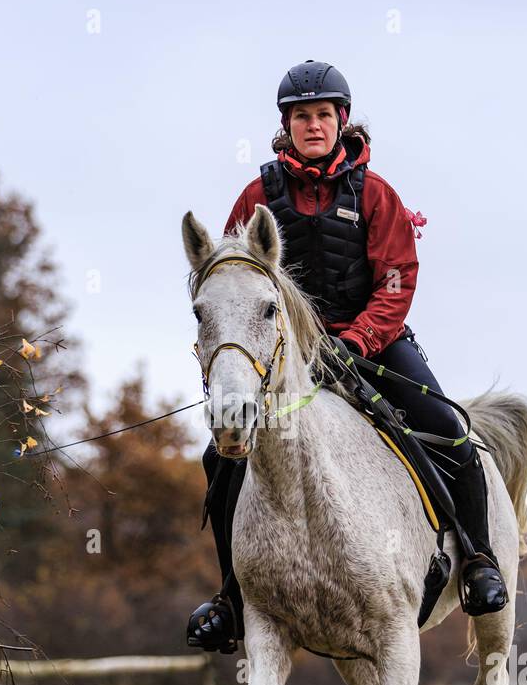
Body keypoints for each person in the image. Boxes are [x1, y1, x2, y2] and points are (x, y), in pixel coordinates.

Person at [186, 60, 508, 653]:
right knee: (220, 455)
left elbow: (396, 279)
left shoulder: (376, 194)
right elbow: (234, 285)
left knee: (449, 430)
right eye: (302, 116)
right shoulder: (256, 197)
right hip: (284, 357)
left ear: (342, 121)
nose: (313, 125)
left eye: (323, 115)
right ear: (287, 124)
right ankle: (232, 596)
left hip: (372, 344)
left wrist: (356, 341)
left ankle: (479, 561)